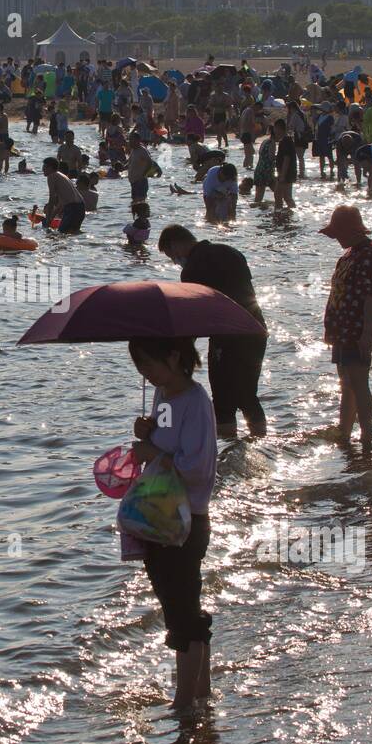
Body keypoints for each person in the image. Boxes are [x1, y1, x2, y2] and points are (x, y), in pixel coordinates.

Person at [129, 337, 217, 712]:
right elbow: (167, 442)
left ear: (174, 356)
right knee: (178, 603)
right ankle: (200, 689)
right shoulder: (163, 395)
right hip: (158, 513)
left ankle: (184, 703)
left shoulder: (196, 402)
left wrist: (155, 452)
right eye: (140, 368)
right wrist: (149, 430)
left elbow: (197, 467)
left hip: (184, 520)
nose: (145, 374)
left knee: (181, 610)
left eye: (149, 365)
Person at [159, 225, 268, 436]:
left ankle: (228, 454)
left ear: (175, 244)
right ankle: (260, 442)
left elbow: (196, 314)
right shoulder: (230, 252)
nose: (174, 261)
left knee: (222, 398)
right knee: (247, 393)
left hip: (227, 337)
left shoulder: (192, 270)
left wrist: (180, 349)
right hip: (255, 329)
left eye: (171, 255)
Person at [320, 205, 372, 451]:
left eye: (338, 232)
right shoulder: (350, 254)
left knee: (359, 384)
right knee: (346, 384)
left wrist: (366, 334)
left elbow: (371, 298)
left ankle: (367, 438)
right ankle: (345, 435)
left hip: (357, 330)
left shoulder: (368, 254)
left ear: (351, 230)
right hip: (343, 330)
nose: (336, 238)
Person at [41, 157, 85, 233]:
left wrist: (48, 220)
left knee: (62, 234)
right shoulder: (61, 175)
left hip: (73, 208)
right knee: (72, 234)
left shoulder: (52, 176)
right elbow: (62, 201)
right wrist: (51, 218)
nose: (42, 169)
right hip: (80, 206)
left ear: (51, 168)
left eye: (45, 167)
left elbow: (52, 199)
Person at [273, 119, 297, 209]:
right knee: (283, 196)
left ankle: (280, 212)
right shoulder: (285, 140)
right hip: (286, 173)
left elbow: (287, 158)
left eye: (275, 128)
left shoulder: (286, 141)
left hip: (286, 173)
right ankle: (284, 214)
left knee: (281, 195)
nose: (274, 131)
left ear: (279, 128)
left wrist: (282, 175)